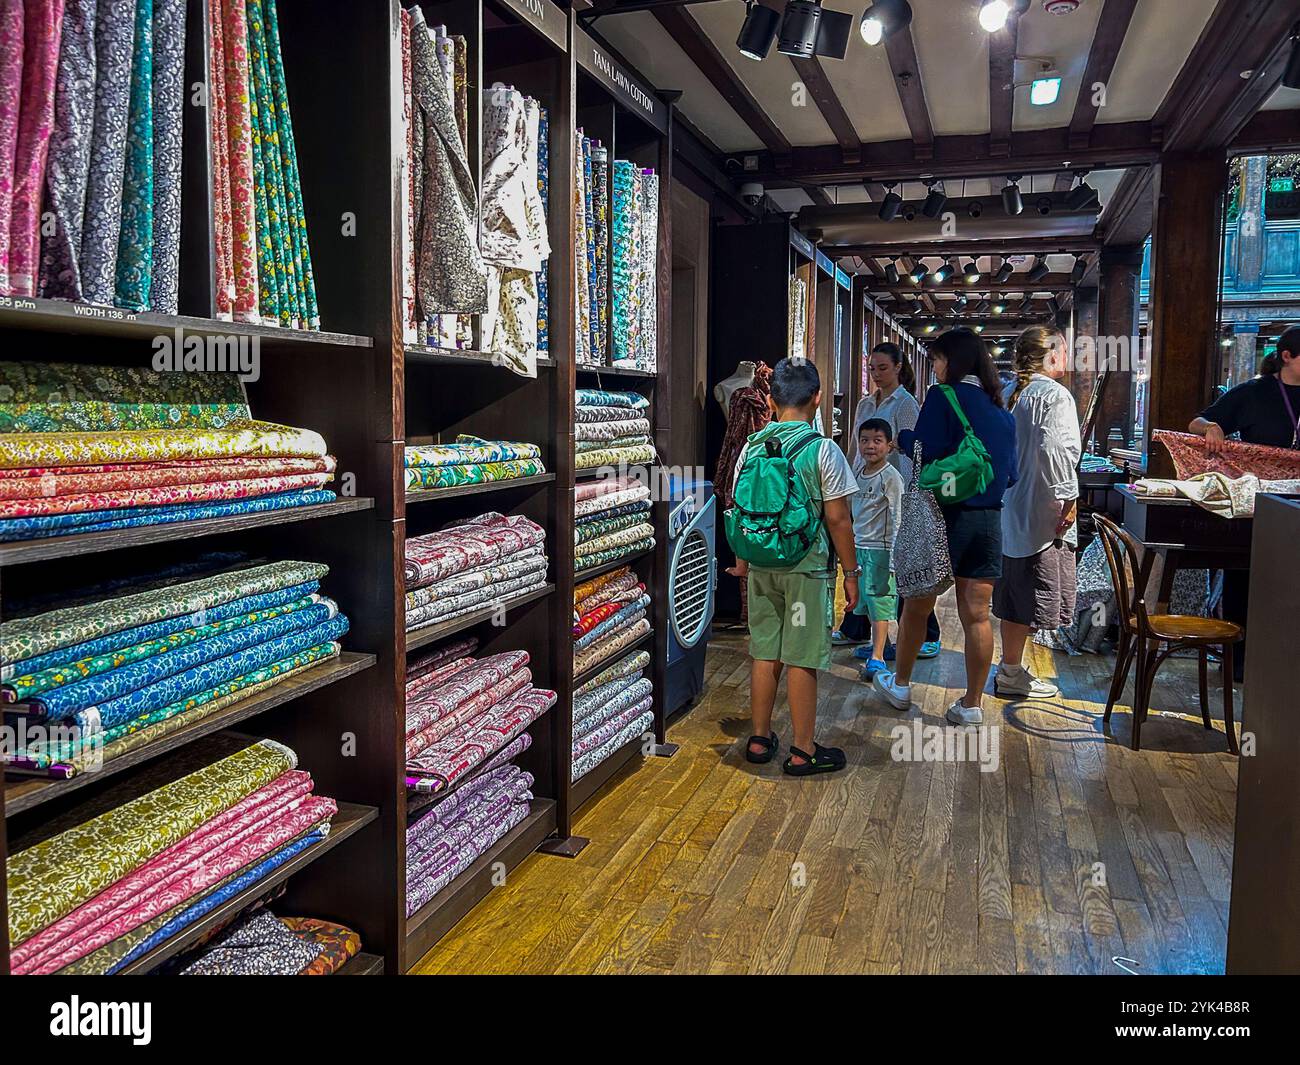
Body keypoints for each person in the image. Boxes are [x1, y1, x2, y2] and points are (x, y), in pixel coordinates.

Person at [872, 328, 1018, 726]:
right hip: (988, 522)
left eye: (937, 359)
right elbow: (1012, 476)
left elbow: (924, 448)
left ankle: (901, 684)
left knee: (917, 606)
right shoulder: (1002, 412)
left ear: (952, 361)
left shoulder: (943, 396)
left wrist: (903, 437)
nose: (934, 368)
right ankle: (971, 704)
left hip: (940, 516)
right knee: (978, 615)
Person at [727, 358, 860, 775]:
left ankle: (760, 739)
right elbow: (838, 520)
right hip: (806, 569)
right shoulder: (823, 450)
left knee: (764, 652)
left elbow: (743, 508)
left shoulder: (751, 447)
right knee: (802, 656)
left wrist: (743, 562)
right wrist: (851, 575)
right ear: (818, 399)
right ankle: (803, 751)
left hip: (762, 566)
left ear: (770, 399)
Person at [1187, 324, 1300, 680]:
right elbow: (1197, 421)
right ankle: (1240, 661)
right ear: (1286, 357)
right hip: (1260, 508)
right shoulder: (1254, 392)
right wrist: (1212, 428)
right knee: (1248, 579)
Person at [837, 343, 942, 659]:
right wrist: (849, 487)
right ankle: (856, 627)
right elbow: (857, 450)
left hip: (893, 490)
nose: (877, 374)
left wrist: (910, 495)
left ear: (898, 367)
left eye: (883, 367)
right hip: (865, 491)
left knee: (896, 565)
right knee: (867, 562)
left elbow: (912, 452)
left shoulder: (905, 403)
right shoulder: (865, 404)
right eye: (872, 368)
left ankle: (926, 633)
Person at [992, 327, 1081, 698]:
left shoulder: (1012, 393)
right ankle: (1010, 672)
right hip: (1043, 512)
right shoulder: (1054, 395)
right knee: (1030, 595)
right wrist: (1070, 495)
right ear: (1053, 355)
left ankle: (1010, 669)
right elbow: (1056, 448)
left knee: (1014, 595)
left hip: (1012, 509)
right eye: (1064, 349)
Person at [849, 419, 905, 680]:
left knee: (880, 601)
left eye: (877, 440)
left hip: (881, 551)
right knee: (868, 603)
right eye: (864, 440)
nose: (870, 446)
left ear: (889, 446)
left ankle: (878, 656)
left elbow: (898, 517)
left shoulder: (891, 477)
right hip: (860, 547)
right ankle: (882, 646)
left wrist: (894, 559)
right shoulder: (859, 472)